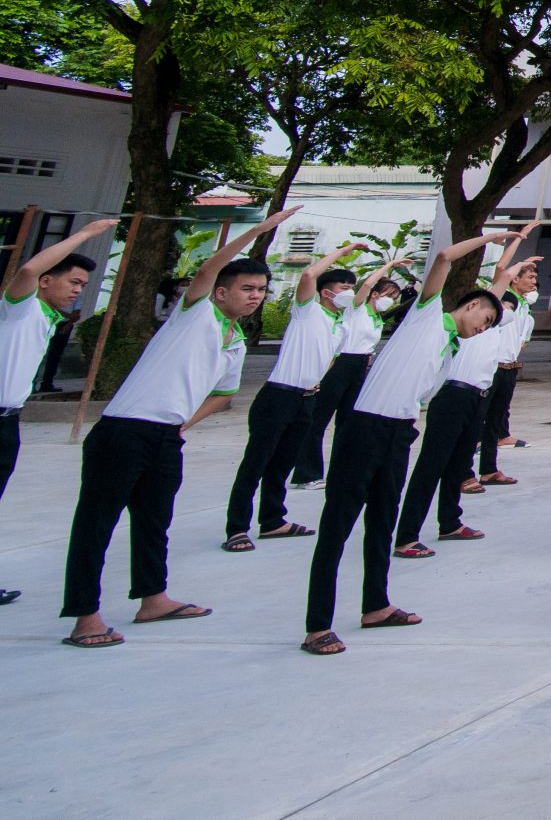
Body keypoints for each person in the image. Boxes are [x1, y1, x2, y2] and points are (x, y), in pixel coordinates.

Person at [61, 207, 297, 649]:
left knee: (154, 521)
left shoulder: (236, 341)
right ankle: (84, 616)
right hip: (123, 431)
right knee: (97, 524)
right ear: (221, 292)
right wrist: (260, 231)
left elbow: (223, 396)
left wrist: (179, 424)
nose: (255, 296)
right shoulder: (195, 313)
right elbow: (208, 268)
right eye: (247, 288)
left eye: (262, 290)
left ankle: (153, 598)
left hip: (164, 436)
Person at [297, 229, 523, 655]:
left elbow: (495, 293)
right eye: (485, 320)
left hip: (400, 430)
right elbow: (441, 257)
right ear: (470, 306)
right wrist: (492, 235)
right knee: (338, 527)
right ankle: (317, 625)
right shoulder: (427, 316)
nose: (483, 328)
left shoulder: (454, 345)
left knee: (383, 521)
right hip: (366, 428)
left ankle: (376, 606)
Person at [392, 239, 540, 558]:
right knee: (431, 465)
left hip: (477, 396)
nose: (494, 318)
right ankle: (407, 535)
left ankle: (450, 522)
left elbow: (502, 287)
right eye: (492, 313)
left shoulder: (495, 322)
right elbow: (501, 275)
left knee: (459, 463)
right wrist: (512, 247)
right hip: (454, 394)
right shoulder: (474, 321)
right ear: (475, 306)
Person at [224, 238, 366, 551]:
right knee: (256, 463)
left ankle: (273, 520)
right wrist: (342, 252)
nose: (350, 293)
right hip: (278, 396)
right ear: (327, 292)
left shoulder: (340, 325)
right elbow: (307, 277)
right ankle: (237, 528)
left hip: (307, 398)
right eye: (345, 287)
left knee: (282, 464)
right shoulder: (307, 310)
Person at [2, 219, 111, 606]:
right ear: (46, 282)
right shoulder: (20, 307)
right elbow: (29, 269)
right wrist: (84, 234)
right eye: (74, 282)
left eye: (83, 285)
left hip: (9, 420)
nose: (79, 291)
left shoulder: (48, 318)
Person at [294, 256, 406, 487]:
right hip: (341, 365)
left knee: (348, 423)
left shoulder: (376, 318)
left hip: (360, 367)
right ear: (375, 294)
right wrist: (389, 265)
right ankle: (307, 474)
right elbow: (365, 285)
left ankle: (341, 471)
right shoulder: (356, 309)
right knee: (318, 420)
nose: (391, 301)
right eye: (389, 296)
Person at [472, 260, 543, 486]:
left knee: (495, 422)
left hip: (509, 368)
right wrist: (519, 258)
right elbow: (500, 272)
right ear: (515, 279)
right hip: (492, 367)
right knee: (476, 421)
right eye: (530, 278)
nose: (534, 283)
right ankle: (463, 473)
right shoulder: (503, 301)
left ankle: (489, 470)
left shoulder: (523, 306)